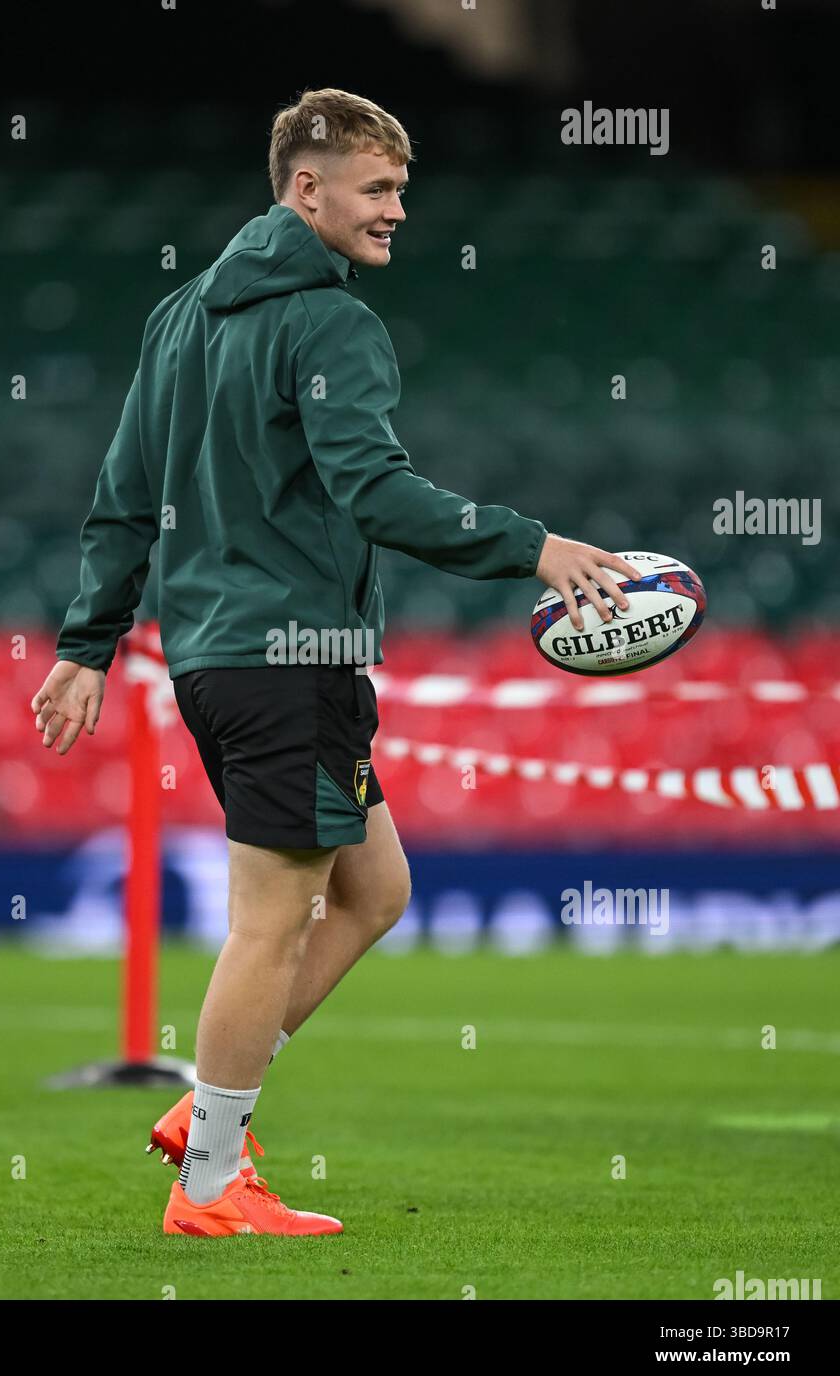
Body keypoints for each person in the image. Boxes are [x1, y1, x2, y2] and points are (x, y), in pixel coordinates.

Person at [31, 88, 640, 1237]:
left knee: (374, 889)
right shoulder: (331, 323)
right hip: (287, 662)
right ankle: (210, 1180)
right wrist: (533, 547)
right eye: (376, 189)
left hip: (214, 658)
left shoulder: (179, 316)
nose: (397, 210)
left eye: (400, 190)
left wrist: (87, 646)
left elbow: (121, 500)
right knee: (271, 918)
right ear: (304, 188)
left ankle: (208, 1108)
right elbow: (374, 490)